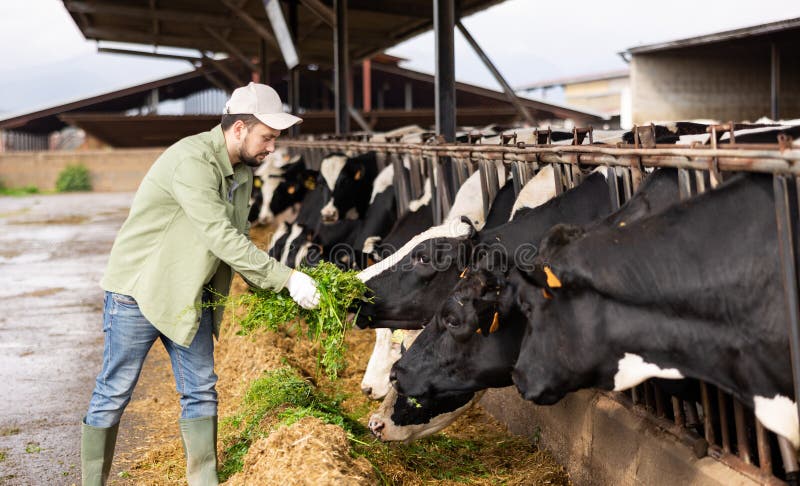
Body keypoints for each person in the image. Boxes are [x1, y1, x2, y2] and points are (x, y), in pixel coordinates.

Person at [80, 83, 319, 485]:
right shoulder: (192, 161)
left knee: (201, 390)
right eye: (267, 137)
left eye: (275, 139)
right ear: (240, 128)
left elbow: (239, 239)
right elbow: (221, 236)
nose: (271, 149)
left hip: (192, 292)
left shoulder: (241, 173)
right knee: (114, 391)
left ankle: (203, 481)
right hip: (139, 291)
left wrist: (281, 292)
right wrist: (287, 278)